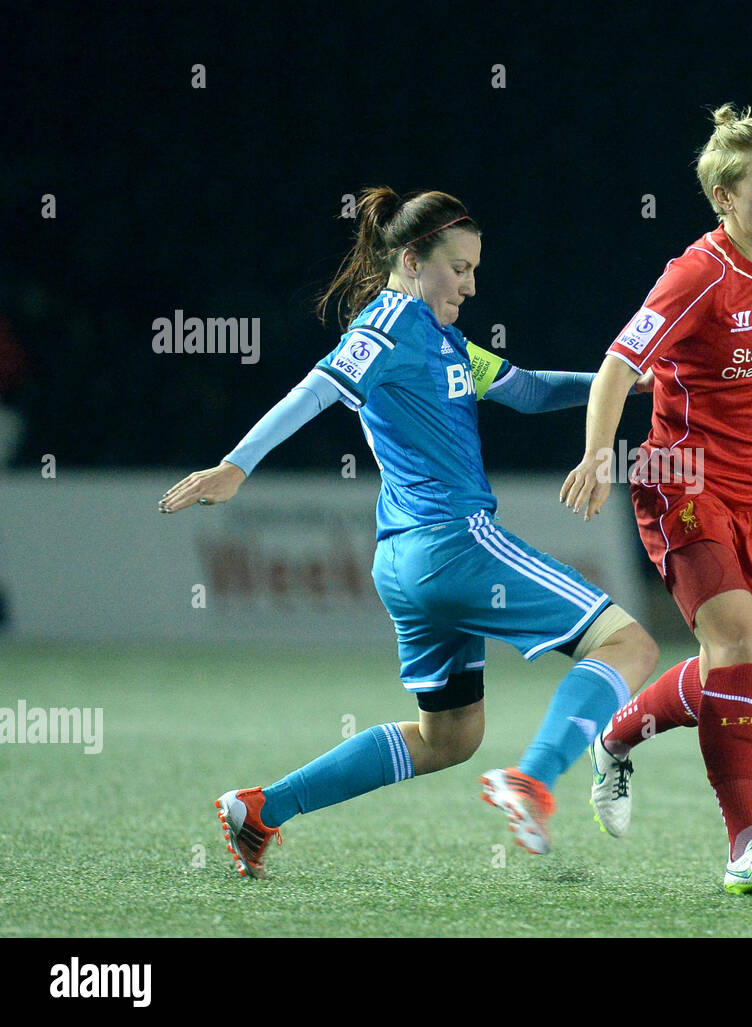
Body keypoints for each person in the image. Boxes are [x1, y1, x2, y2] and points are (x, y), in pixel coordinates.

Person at [160, 187, 658, 878]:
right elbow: (319, 386)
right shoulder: (388, 324)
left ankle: (262, 807)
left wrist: (626, 382)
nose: (471, 284)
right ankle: (536, 778)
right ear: (411, 258)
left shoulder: (442, 338)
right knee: (629, 642)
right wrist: (236, 464)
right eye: (460, 267)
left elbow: (529, 389)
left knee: (449, 736)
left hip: (406, 561)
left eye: (476, 269)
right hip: (456, 542)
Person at [561, 105, 752, 894]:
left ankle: (614, 740)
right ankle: (746, 843)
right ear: (725, 198)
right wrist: (597, 453)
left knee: (737, 668)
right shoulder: (698, 273)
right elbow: (620, 365)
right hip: (683, 479)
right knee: (731, 641)